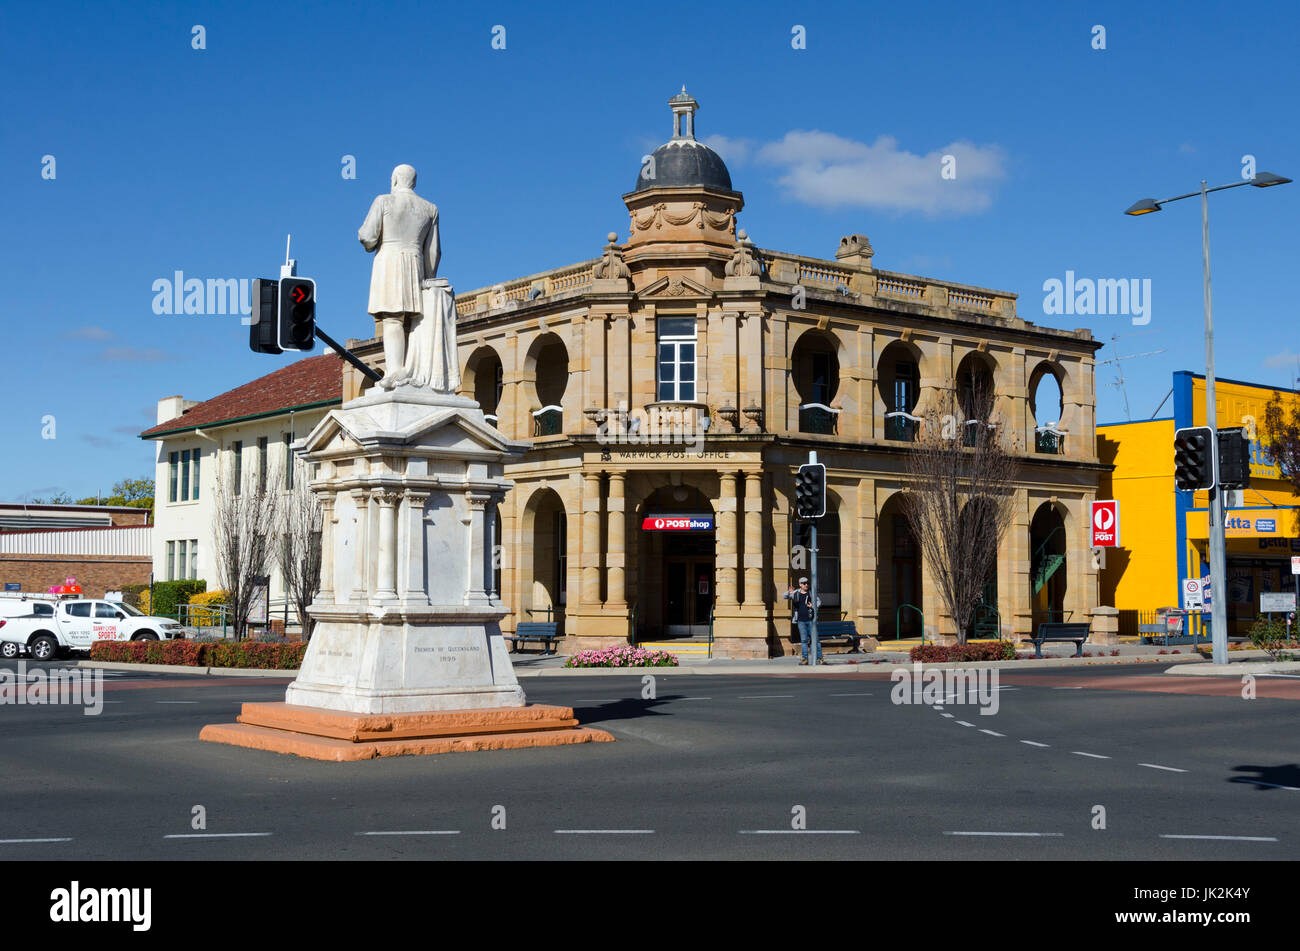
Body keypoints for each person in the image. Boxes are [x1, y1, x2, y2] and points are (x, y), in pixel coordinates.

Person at [783, 577, 823, 665]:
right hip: (801, 621)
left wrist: (813, 605)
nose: (806, 585)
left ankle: (820, 658)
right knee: (804, 641)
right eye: (804, 583)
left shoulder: (811, 593)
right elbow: (784, 596)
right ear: (800, 584)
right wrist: (788, 592)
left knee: (815, 640)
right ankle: (805, 659)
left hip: (811, 620)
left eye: (807, 583)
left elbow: (819, 602)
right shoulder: (796, 593)